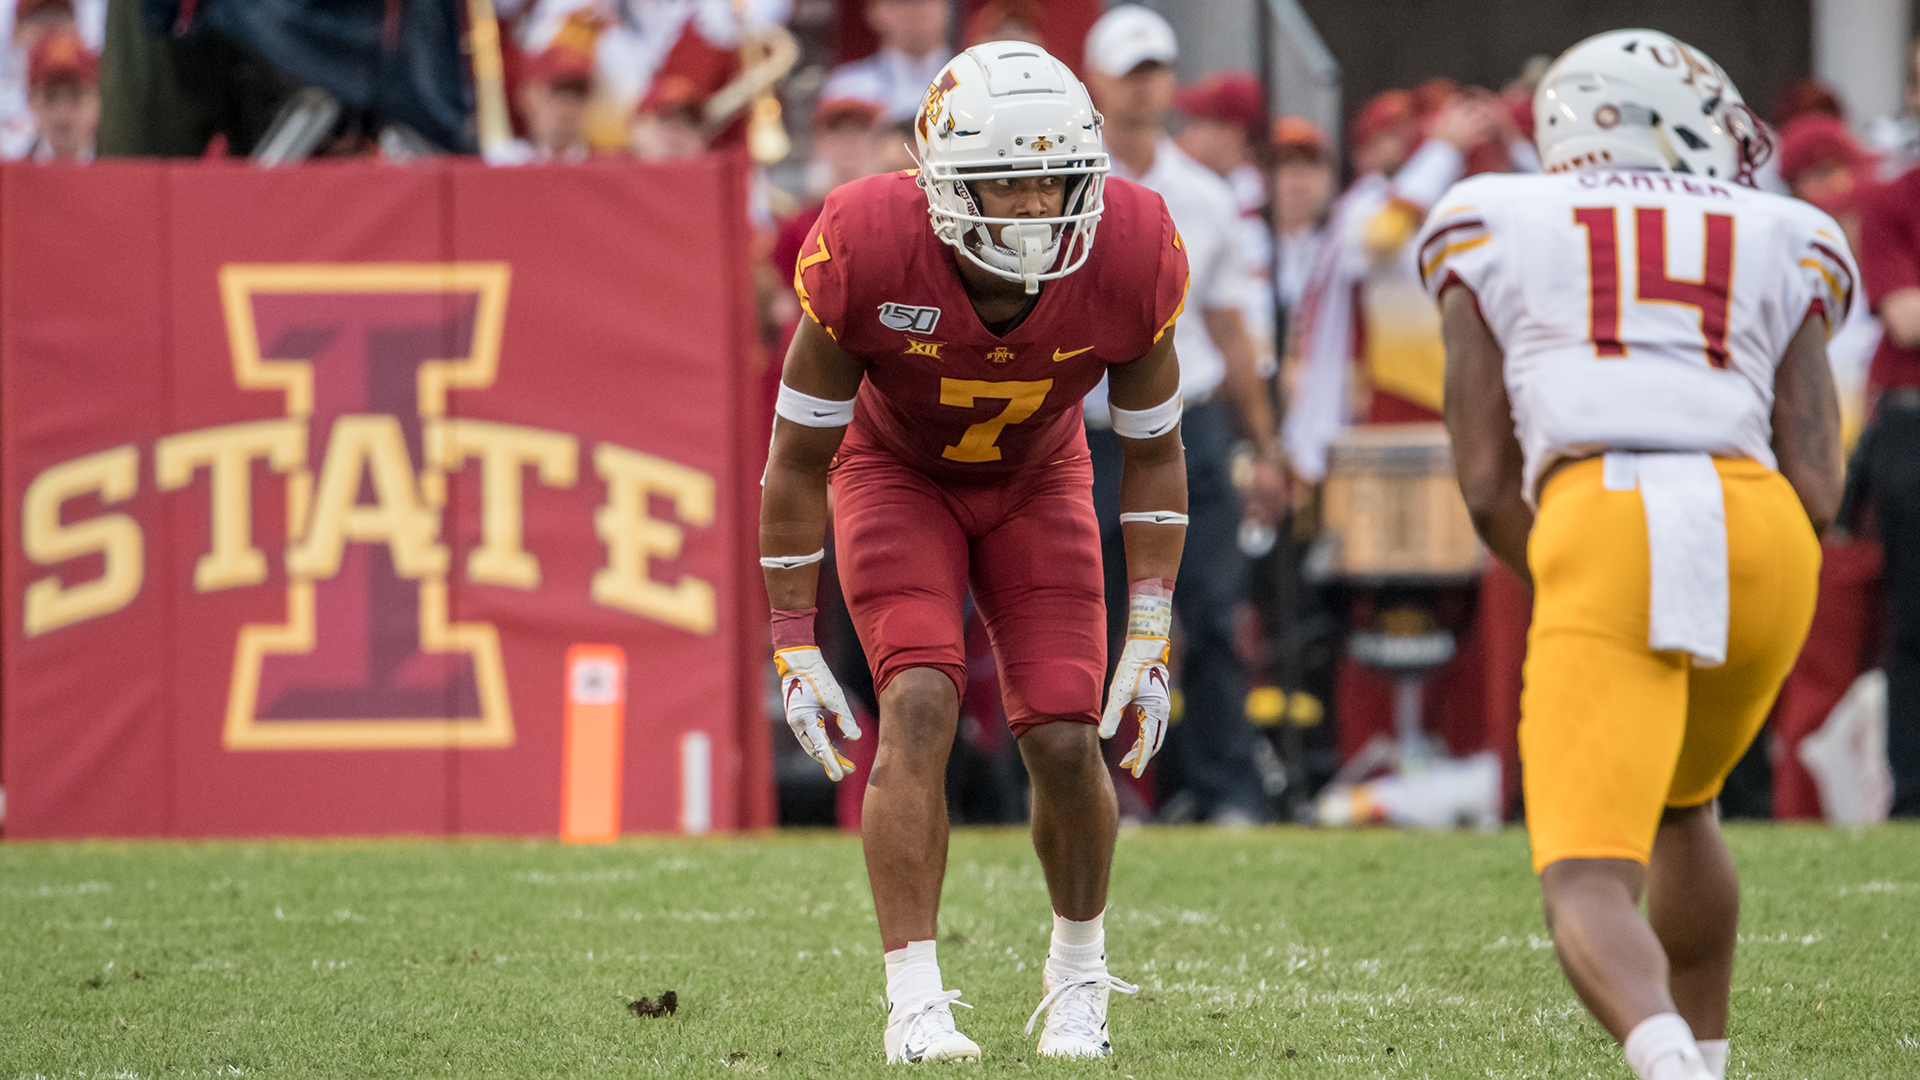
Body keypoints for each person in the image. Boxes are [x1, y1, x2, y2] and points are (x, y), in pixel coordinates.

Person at [1423, 29, 1850, 1080]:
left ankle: (1665, 1065)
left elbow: (1482, 478)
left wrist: (1574, 570)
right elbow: (1819, 474)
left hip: (1604, 502)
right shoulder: (1786, 227)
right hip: (1761, 525)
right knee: (1683, 801)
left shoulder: (1493, 217)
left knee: (1584, 877)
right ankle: (1704, 1055)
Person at [761, 41, 1190, 1062]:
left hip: (1040, 480)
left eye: (1058, 176)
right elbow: (793, 459)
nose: (1041, 204)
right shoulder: (868, 242)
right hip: (895, 473)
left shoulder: (1130, 250)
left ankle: (1078, 975)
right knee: (916, 698)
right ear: (946, 184)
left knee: (1061, 733)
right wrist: (790, 637)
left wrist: (1153, 621)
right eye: (1011, 178)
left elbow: (1158, 450)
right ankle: (914, 997)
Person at [1079, 5, 1283, 825]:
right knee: (1087, 619)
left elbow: (1230, 324)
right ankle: (1089, 791)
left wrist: (1263, 442)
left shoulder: (1204, 193)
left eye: (1156, 71)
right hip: (1088, 428)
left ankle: (1225, 789)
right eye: (1130, 72)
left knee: (1208, 613)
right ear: (1096, 82)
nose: (1145, 88)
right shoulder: (1066, 179)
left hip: (1188, 421)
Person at [1858, 122, 1920, 817]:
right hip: (1911, 417)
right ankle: (1912, 793)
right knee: (1915, 619)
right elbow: (1905, 318)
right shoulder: (1892, 199)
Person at [820, 0, 951, 124]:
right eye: (899, 2)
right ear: (873, 10)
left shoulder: (970, 75)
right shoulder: (847, 88)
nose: (912, 9)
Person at [22, 25, 92, 161]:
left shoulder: (124, 170)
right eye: (50, 97)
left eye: (75, 96)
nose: (62, 113)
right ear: (32, 101)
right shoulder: (11, 177)